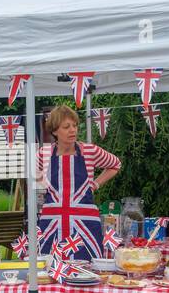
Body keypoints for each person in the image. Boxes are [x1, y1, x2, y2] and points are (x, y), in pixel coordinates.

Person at [37, 104, 121, 261]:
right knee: (51, 267)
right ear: (55, 131)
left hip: (85, 224)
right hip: (52, 223)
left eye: (74, 126)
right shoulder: (44, 154)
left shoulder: (90, 151)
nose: (73, 130)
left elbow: (115, 164)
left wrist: (95, 184)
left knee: (87, 268)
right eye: (66, 127)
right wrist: (48, 188)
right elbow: (33, 173)